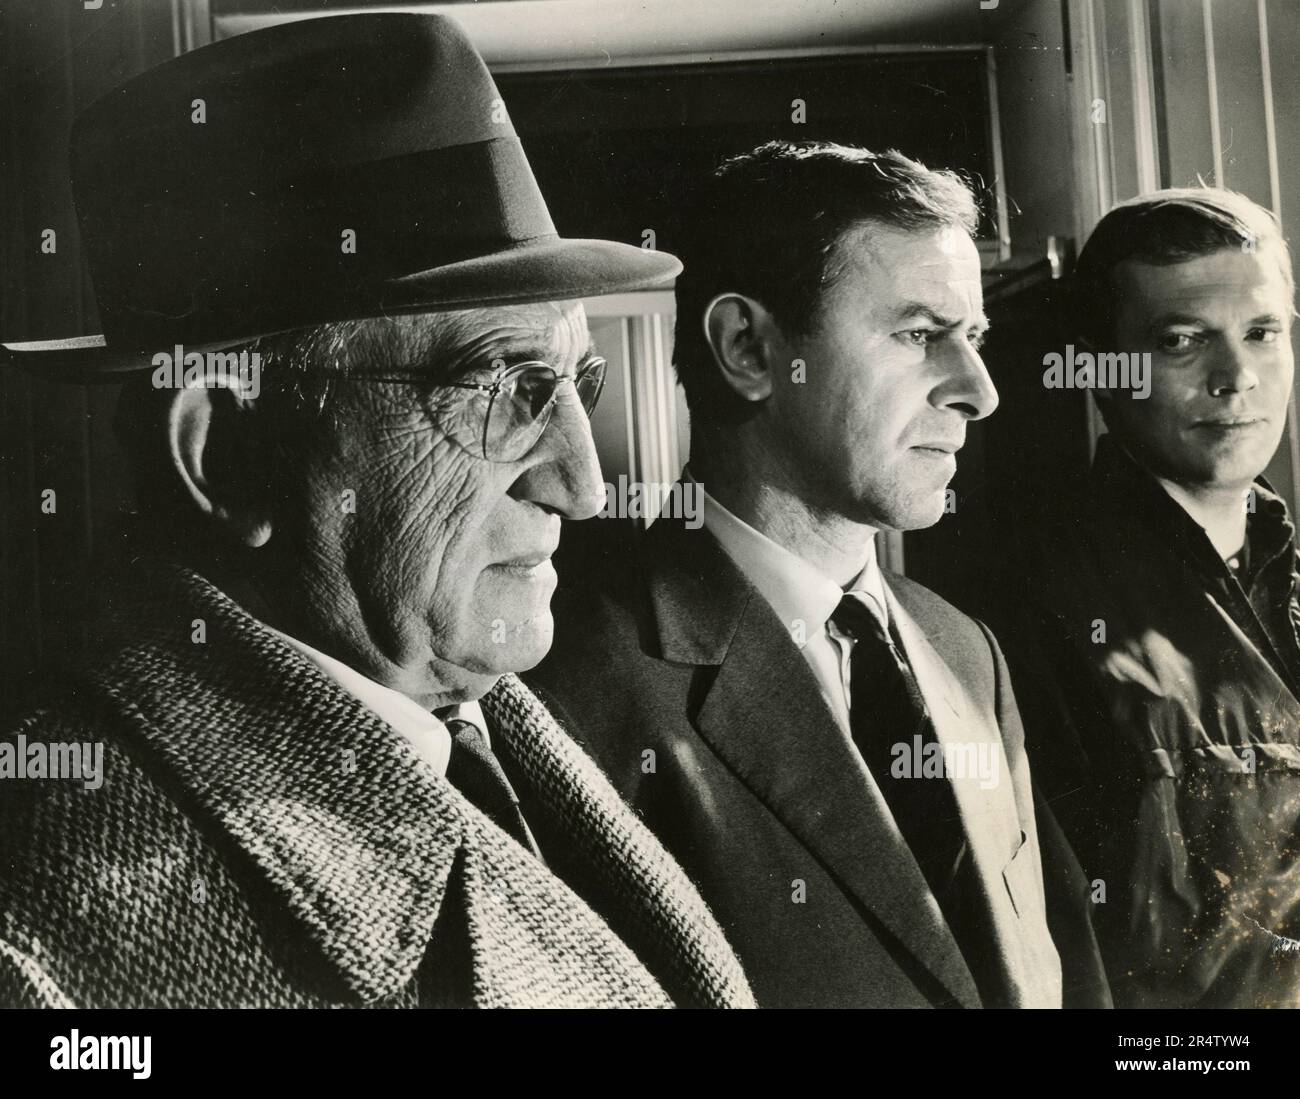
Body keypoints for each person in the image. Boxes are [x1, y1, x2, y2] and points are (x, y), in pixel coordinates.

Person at [0, 12, 753, 1009]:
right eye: (505, 388)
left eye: (579, 384)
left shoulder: (485, 726)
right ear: (228, 454)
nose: (583, 484)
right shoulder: (45, 952)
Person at [528, 141, 1091, 1007]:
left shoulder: (965, 649)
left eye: (971, 337)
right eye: (918, 334)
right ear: (749, 348)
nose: (979, 390)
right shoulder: (569, 685)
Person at [1000, 187, 1300, 1008]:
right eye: (1181, 341)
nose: (1236, 377)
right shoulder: (1032, 612)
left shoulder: (1290, 564)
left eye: (1263, 333)